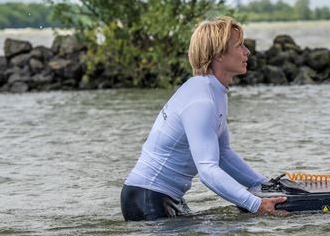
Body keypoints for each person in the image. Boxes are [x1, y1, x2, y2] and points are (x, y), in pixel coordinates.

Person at [120, 16, 286, 220]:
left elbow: (223, 154)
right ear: (219, 55)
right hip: (146, 198)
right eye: (239, 45)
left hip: (164, 196)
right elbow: (207, 170)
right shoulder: (202, 101)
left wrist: (265, 185)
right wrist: (256, 204)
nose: (247, 51)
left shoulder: (215, 92)